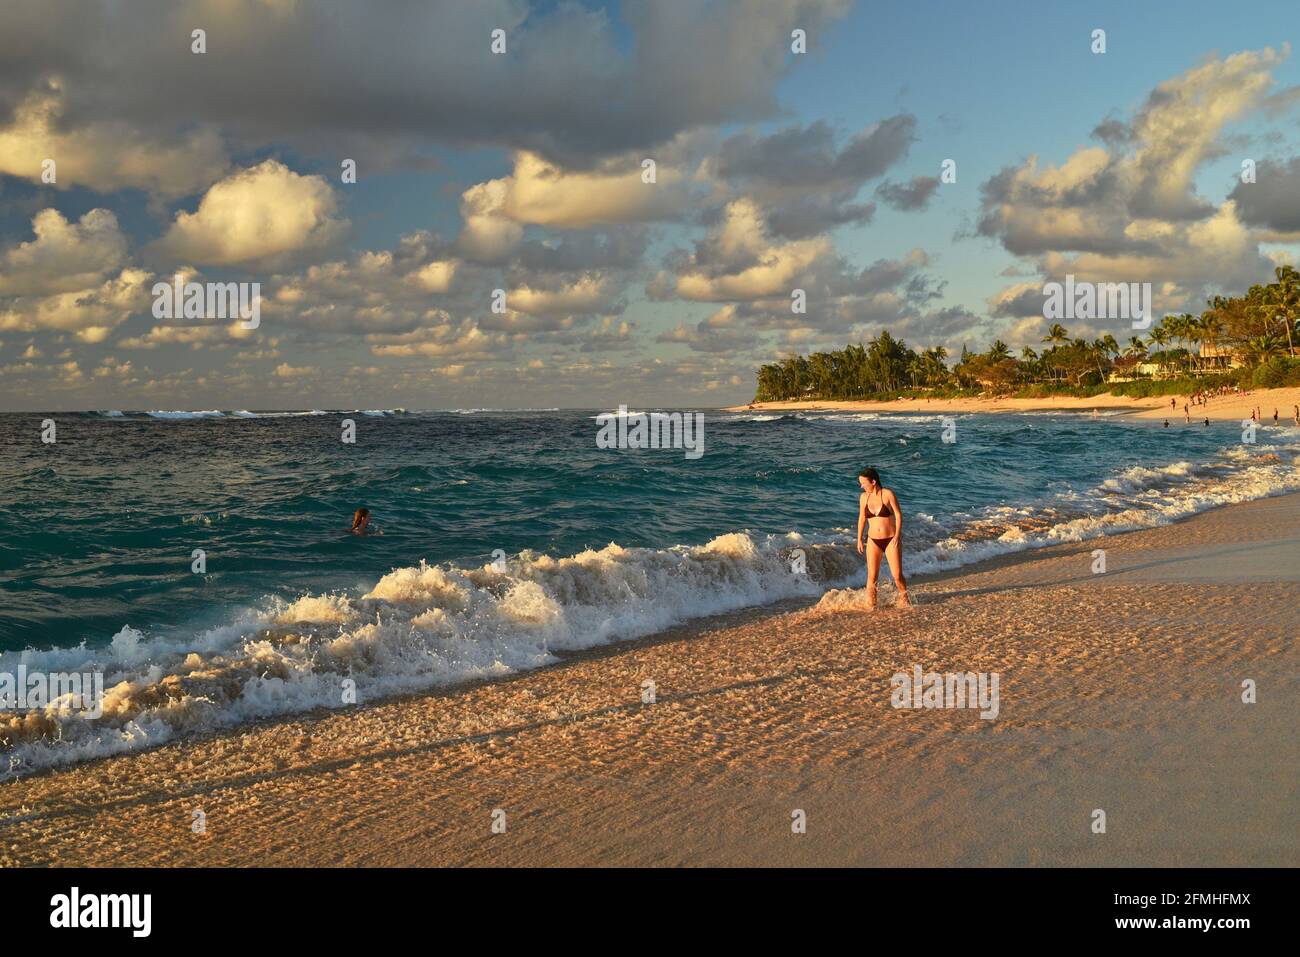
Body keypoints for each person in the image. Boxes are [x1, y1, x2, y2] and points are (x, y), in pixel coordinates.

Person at [855, 467, 912, 610]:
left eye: (863, 483)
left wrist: (898, 535)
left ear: (873, 481)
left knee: (897, 575)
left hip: (891, 539)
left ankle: (905, 599)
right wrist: (859, 539)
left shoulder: (887, 494)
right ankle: (871, 606)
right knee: (872, 576)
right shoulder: (863, 497)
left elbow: (898, 515)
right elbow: (862, 518)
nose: (861, 486)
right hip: (873, 540)